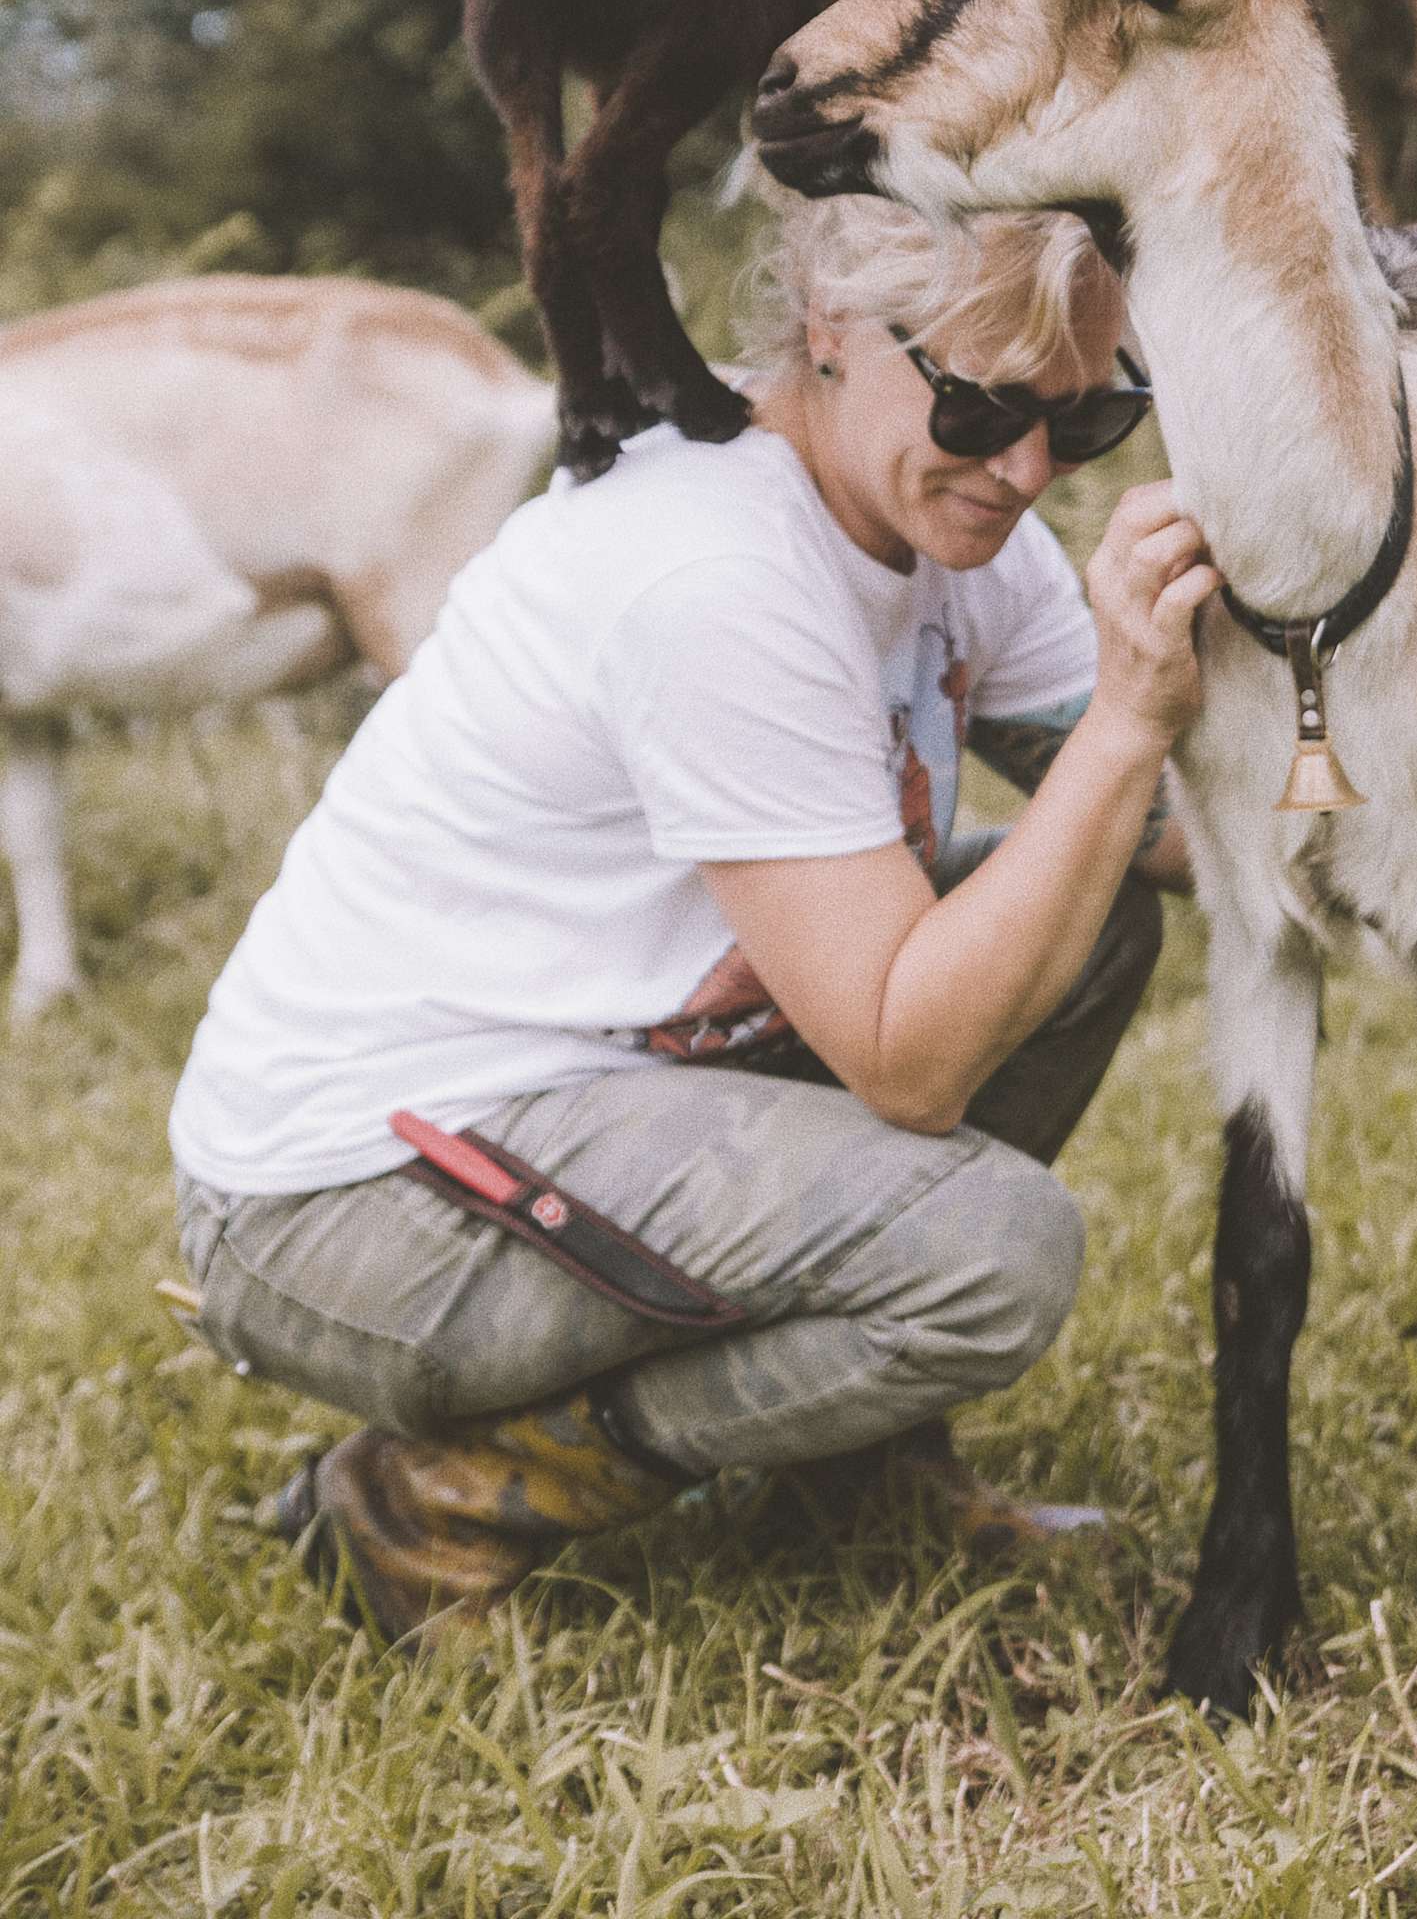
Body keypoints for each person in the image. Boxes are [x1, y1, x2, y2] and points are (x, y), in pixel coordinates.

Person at [168, 196, 1217, 1643]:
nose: (1030, 469)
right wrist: (1127, 722)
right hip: (346, 1200)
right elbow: (909, 1059)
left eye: (1088, 424)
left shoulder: (934, 505)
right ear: (836, 332)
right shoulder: (714, 569)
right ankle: (430, 1506)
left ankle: (847, 1470)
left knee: (1078, 928)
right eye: (983, 408)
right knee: (988, 1255)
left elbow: (1174, 842)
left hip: (595, 1092)